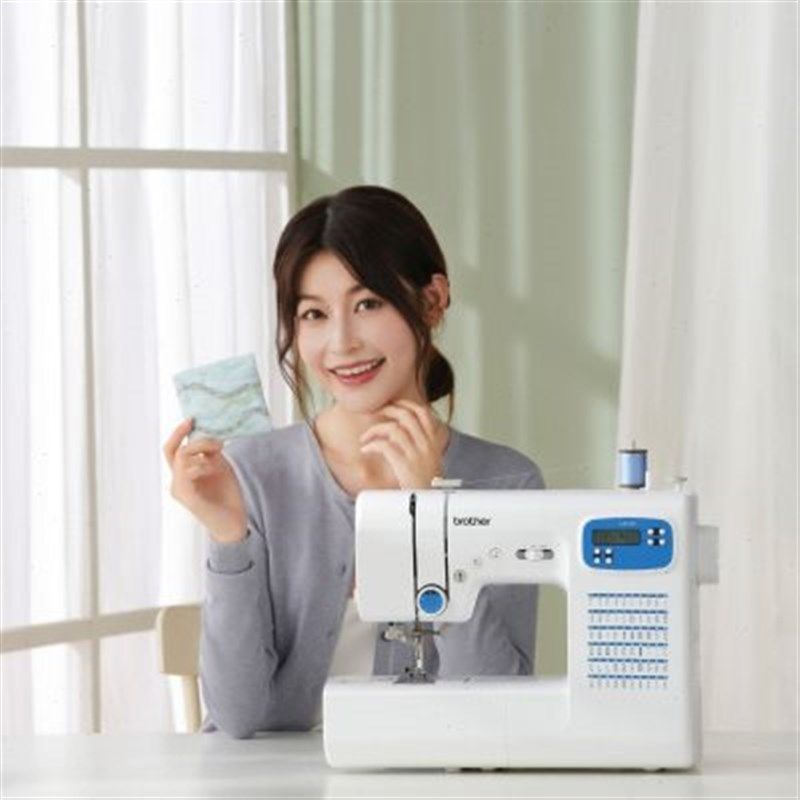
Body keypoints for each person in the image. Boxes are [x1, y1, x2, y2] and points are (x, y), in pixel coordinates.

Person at [163, 185, 545, 739]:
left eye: (368, 304)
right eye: (314, 314)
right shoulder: (251, 470)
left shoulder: (506, 482)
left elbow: (498, 706)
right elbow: (238, 719)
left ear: (432, 300)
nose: (341, 343)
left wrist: (430, 517)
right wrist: (228, 536)